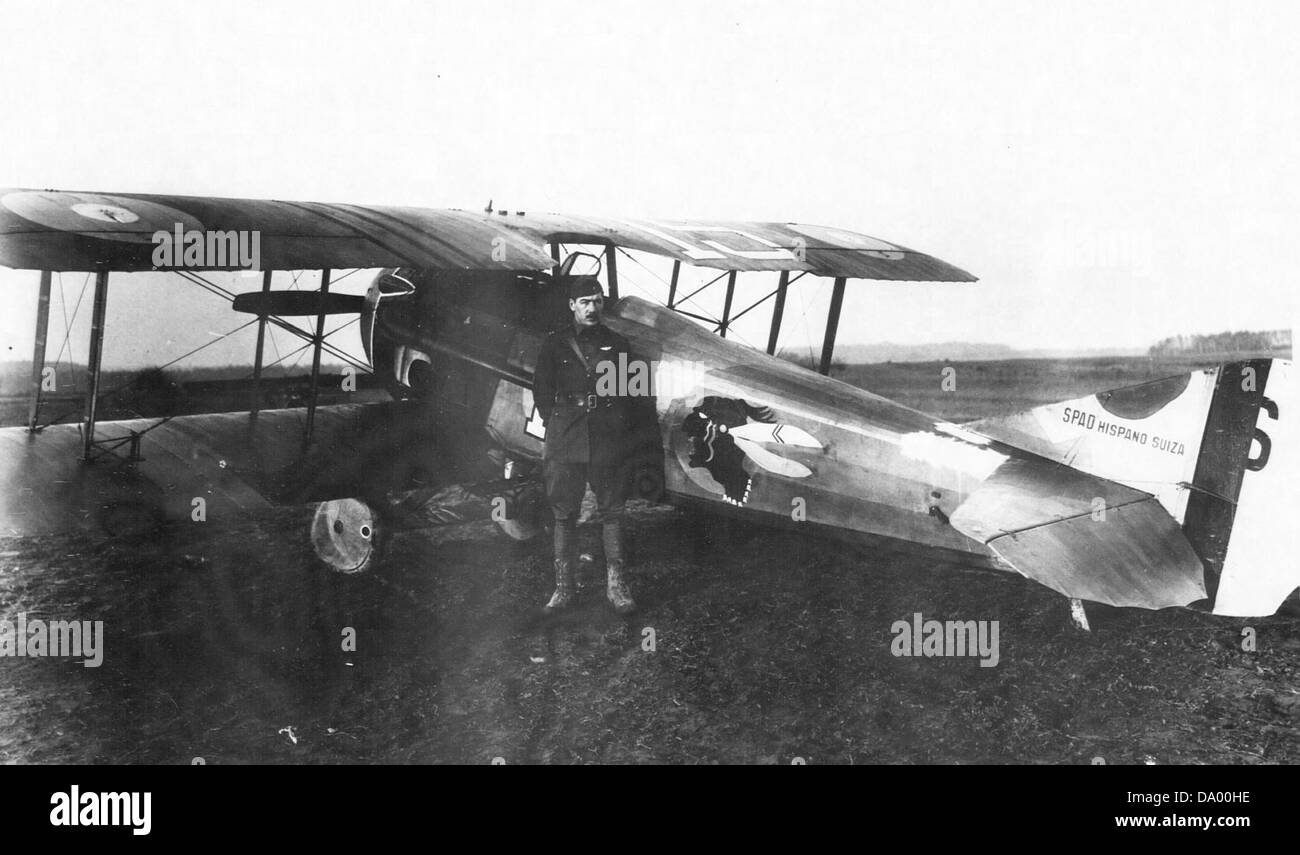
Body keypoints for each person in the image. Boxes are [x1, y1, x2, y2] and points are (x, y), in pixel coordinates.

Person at [532, 275, 637, 615]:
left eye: (597, 301)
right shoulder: (554, 344)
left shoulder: (618, 344)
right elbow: (542, 391)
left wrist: (615, 429)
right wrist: (558, 423)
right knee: (564, 514)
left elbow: (628, 394)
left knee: (612, 511)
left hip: (605, 437)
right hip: (565, 437)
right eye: (585, 302)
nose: (592, 308)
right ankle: (564, 589)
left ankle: (617, 588)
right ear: (572, 306)